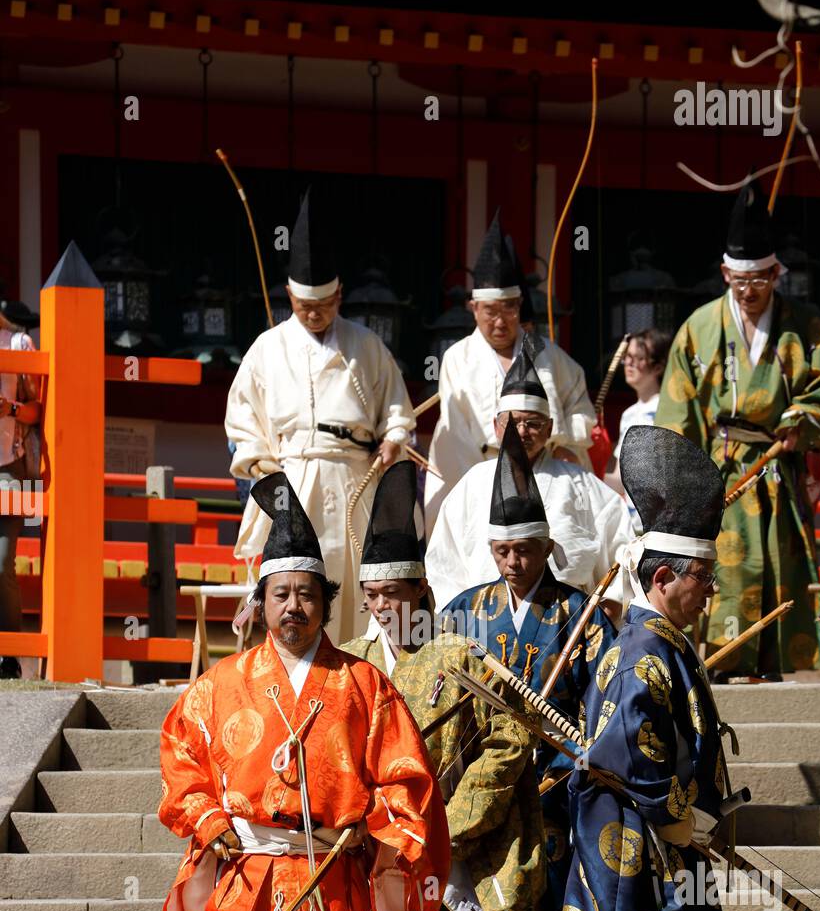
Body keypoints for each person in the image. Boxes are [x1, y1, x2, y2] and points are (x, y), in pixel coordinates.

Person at [158, 471, 450, 911]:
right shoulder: (218, 687)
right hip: (257, 870)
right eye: (281, 594)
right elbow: (183, 762)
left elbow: (407, 776)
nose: (294, 607)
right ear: (260, 604)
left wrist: (374, 825)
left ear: (326, 604)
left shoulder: (364, 685)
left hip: (335, 869)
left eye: (307, 594)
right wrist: (212, 821)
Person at [547, 423, 740, 911]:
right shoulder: (641, 655)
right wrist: (680, 814)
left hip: (669, 852)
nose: (710, 589)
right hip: (642, 862)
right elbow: (629, 759)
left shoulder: (658, 645)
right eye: (700, 576)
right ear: (662, 577)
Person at [343, 461, 545, 911]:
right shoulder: (352, 669)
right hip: (373, 853)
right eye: (371, 596)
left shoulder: (463, 657)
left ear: (421, 592)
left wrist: (446, 826)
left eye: (394, 594)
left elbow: (509, 740)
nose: (382, 609)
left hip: (438, 854)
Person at [442, 420, 616, 911]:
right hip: (486, 782)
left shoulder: (580, 613)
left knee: (545, 889)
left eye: (524, 551)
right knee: (490, 889)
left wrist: (576, 754)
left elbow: (604, 699)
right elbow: (442, 699)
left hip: (554, 780)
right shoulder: (463, 613)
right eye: (502, 552)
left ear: (547, 547)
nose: (513, 564)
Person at [655, 178, 820, 677]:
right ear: (725, 273)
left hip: (779, 468)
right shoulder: (699, 329)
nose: (750, 290)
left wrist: (801, 422)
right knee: (727, 567)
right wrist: (686, 487)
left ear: (776, 273)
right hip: (723, 472)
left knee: (781, 568)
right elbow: (679, 414)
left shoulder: (804, 326)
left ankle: (779, 665)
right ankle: (725, 665)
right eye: (741, 280)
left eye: (762, 279)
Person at [225, 187, 415, 643]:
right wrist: (265, 472)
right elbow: (242, 421)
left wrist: (393, 436)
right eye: (303, 306)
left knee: (352, 588)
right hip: (293, 479)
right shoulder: (267, 348)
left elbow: (397, 408)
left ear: (340, 296)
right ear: (289, 295)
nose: (313, 315)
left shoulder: (366, 345)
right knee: (293, 580)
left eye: (323, 305)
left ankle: (351, 670)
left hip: (354, 478)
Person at [423, 209, 595, 530]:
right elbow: (456, 436)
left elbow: (582, 414)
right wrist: (479, 485)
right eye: (490, 311)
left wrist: (560, 440)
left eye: (508, 309)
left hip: (547, 474)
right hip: (483, 473)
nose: (500, 321)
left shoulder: (552, 357)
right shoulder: (458, 358)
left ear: (519, 307)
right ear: (473, 308)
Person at [425, 346, 633, 611]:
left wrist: (612, 600)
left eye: (533, 423)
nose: (521, 431)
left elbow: (623, 548)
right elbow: (443, 561)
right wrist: (458, 617)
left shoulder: (582, 483)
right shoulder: (472, 483)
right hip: (482, 622)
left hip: (566, 625)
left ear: (549, 428)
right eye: (512, 422)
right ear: (495, 427)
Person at [0, 299, 41, 680]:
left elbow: (36, 409)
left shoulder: (17, 344)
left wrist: (8, 407)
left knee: (2, 562)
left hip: (7, 464)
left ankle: (9, 653)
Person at [605, 327, 671, 505]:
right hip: (631, 519)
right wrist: (588, 469)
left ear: (658, 366)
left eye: (639, 358)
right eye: (627, 357)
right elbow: (621, 481)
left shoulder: (667, 410)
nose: (629, 363)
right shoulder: (629, 414)